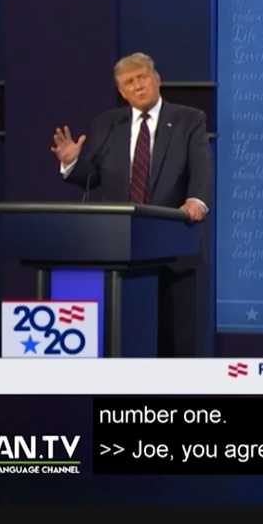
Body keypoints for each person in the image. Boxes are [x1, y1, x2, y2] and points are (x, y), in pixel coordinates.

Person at [50, 52, 214, 355]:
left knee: (175, 345)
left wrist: (197, 200)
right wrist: (73, 163)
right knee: (121, 341)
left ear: (157, 79)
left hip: (173, 246)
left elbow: (201, 167)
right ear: (122, 92)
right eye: (129, 82)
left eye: (142, 77)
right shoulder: (107, 124)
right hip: (116, 251)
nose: (138, 86)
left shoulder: (188, 119)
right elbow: (92, 177)